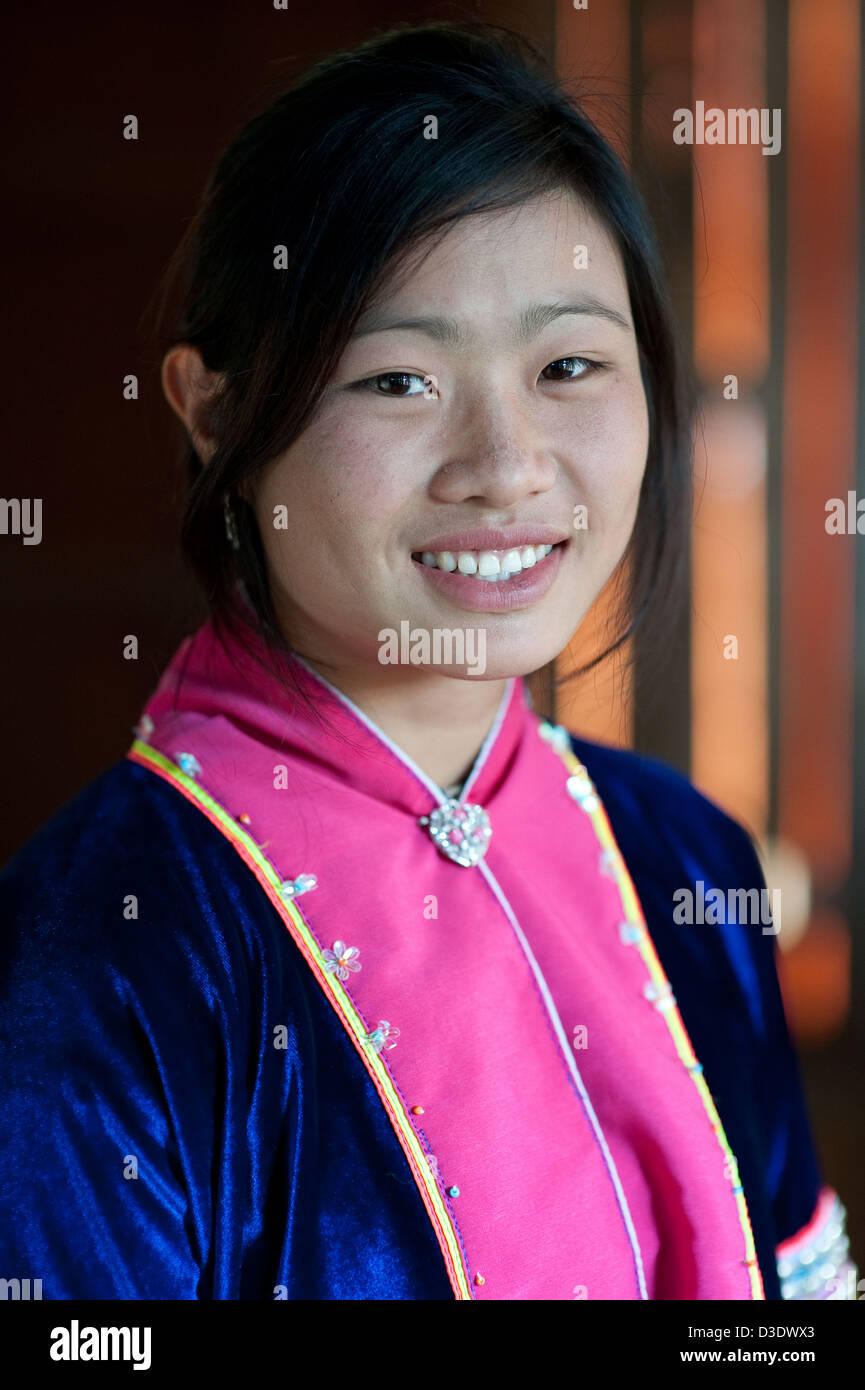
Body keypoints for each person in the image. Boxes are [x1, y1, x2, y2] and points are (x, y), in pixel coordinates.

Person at [0, 20, 854, 1301]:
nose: (507, 463)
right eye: (399, 380)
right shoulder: (96, 961)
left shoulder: (688, 860)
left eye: (569, 365)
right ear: (216, 409)